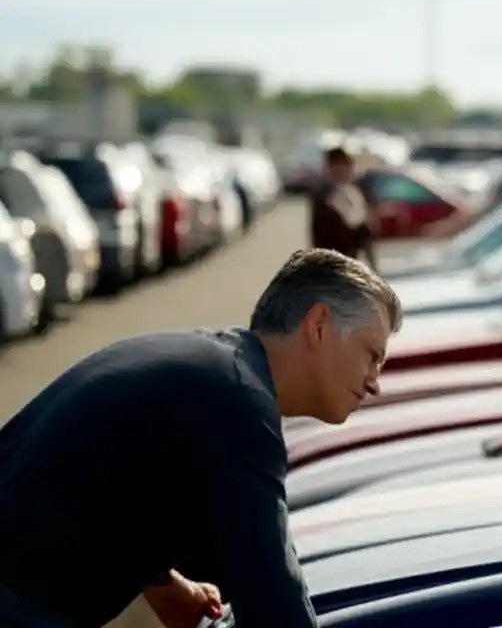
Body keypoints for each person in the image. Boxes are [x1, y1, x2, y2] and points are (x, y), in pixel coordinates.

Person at [0, 248, 402, 627]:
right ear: (318, 325)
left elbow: (100, 482)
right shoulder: (239, 401)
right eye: (372, 355)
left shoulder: (206, 365)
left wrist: (162, 583)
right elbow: (275, 605)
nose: (375, 384)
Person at [309, 146, 379, 271]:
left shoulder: (358, 193)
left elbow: (367, 236)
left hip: (355, 265)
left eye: (345, 167)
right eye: (337, 167)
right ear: (329, 168)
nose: (342, 172)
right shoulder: (323, 197)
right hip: (332, 267)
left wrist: (374, 269)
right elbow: (318, 238)